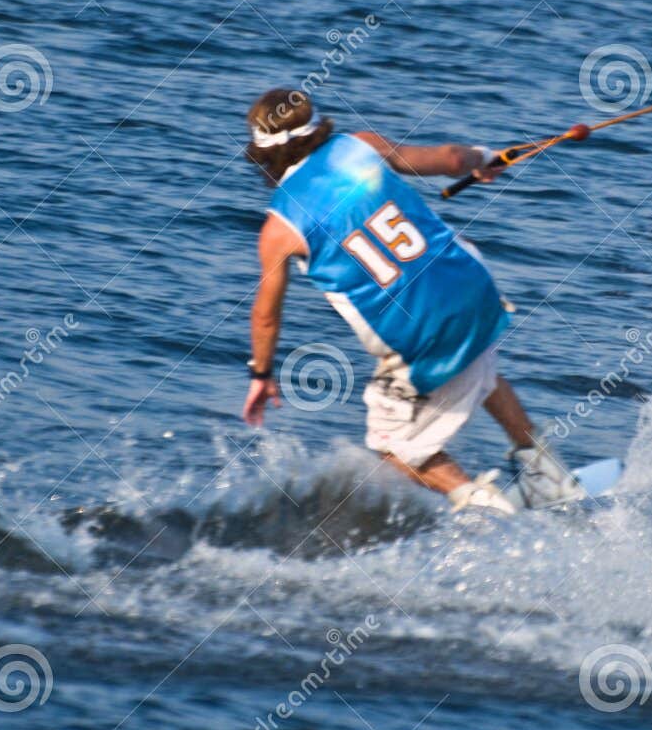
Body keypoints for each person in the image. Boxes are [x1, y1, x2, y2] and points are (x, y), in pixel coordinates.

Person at [240, 87, 585, 513]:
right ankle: (549, 477)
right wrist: (486, 159)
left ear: (262, 154)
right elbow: (453, 160)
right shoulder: (358, 145)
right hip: (472, 288)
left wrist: (261, 374)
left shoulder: (279, 229)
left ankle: (487, 510)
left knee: (392, 445)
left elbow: (266, 316)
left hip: (422, 332)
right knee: (477, 362)